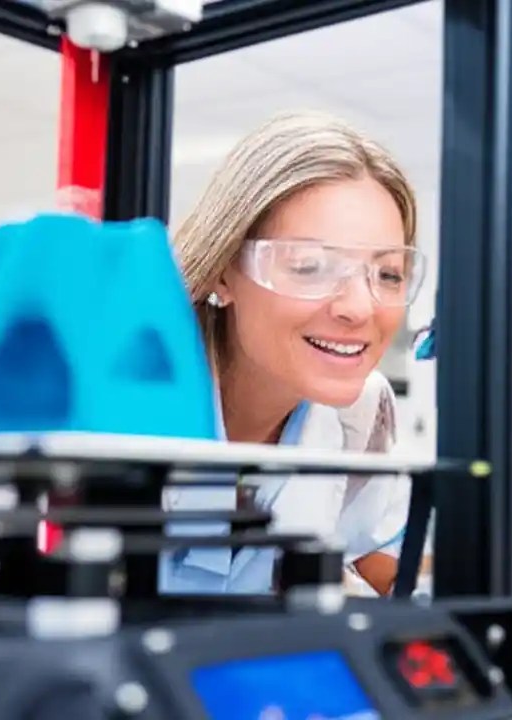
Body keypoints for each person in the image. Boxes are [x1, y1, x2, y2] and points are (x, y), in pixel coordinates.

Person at [163, 110, 425, 596]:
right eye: (310, 267)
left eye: (388, 274)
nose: (359, 307)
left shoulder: (361, 411)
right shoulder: (134, 395)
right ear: (223, 269)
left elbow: (378, 560)